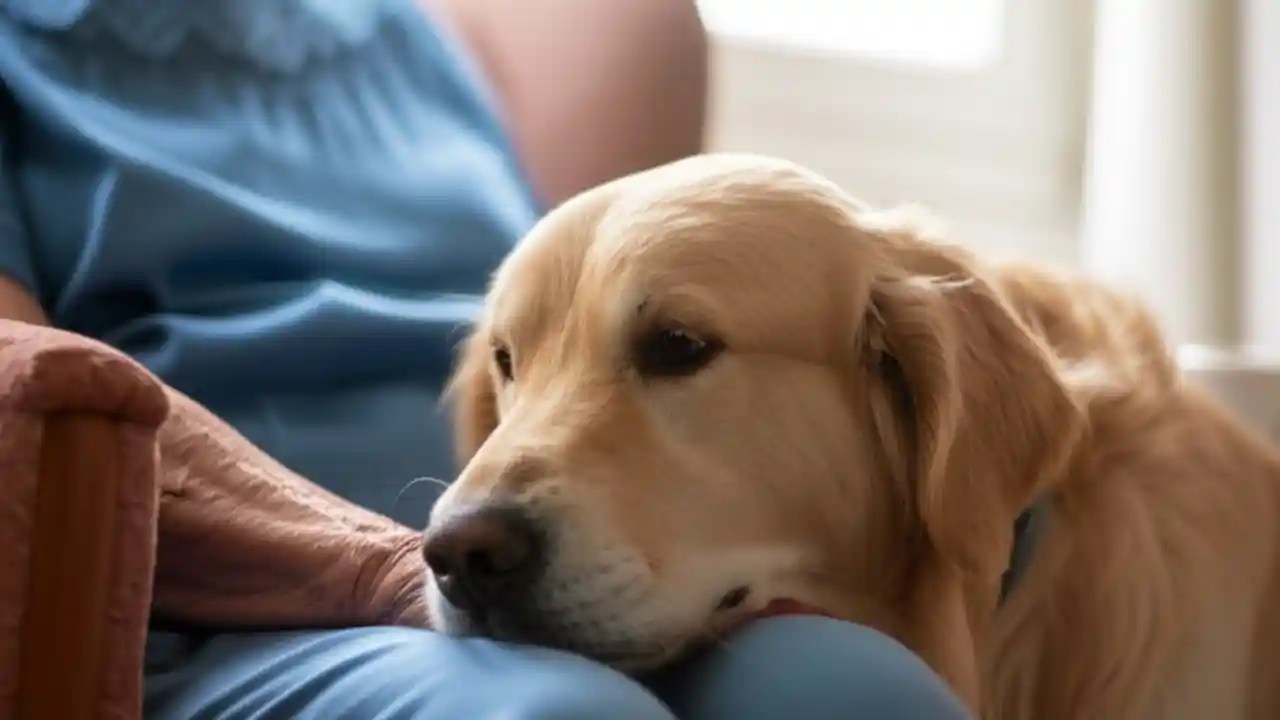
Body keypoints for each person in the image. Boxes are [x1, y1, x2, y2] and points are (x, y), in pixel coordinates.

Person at [0, 0, 969, 717]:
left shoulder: (416, 33)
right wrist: (385, 573)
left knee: (858, 690)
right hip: (231, 626)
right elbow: (23, 397)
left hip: (539, 558)